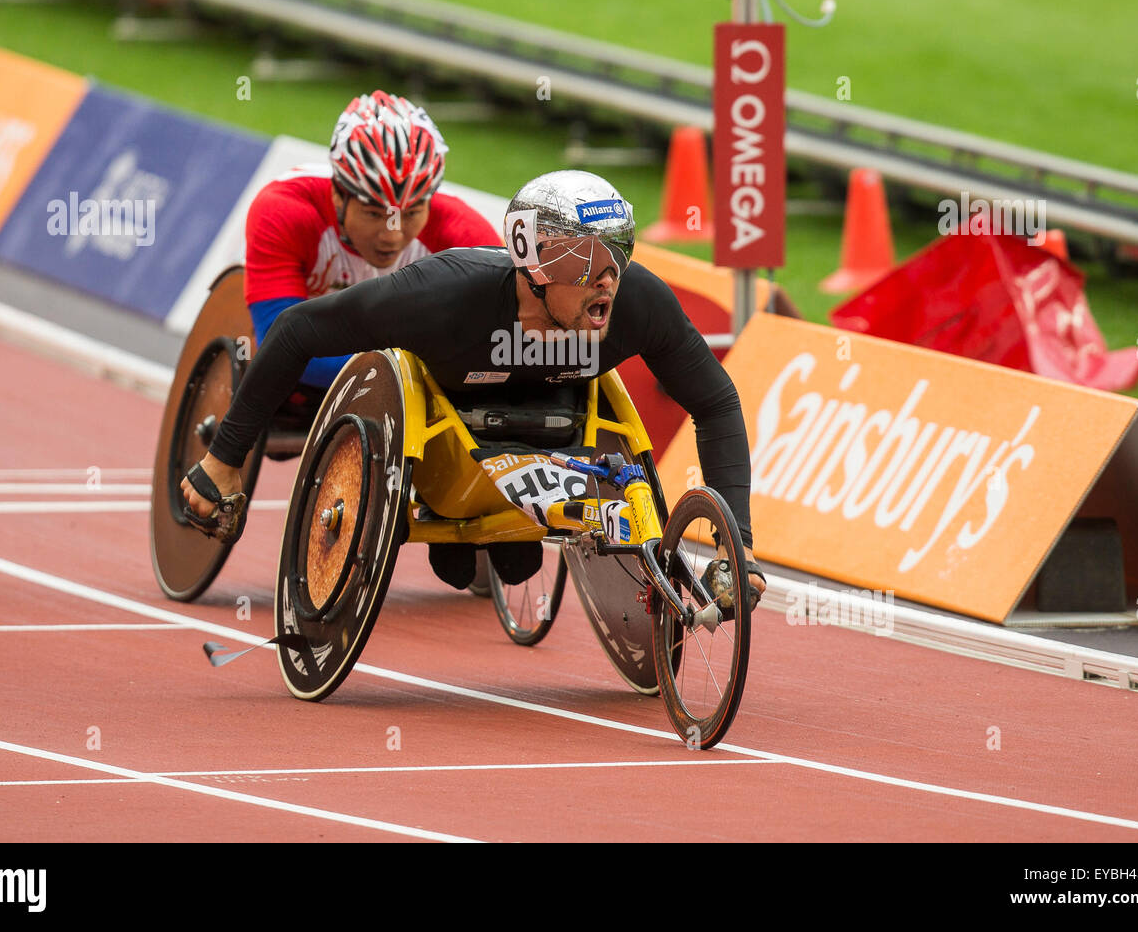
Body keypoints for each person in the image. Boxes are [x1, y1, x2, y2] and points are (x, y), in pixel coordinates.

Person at [183, 169, 767, 605]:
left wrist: (735, 545)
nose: (607, 279)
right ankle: (463, 526)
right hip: (446, 441)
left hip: (557, 429)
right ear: (531, 260)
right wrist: (224, 459)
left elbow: (715, 401)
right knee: (465, 565)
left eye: (618, 255)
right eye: (583, 260)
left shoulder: (641, 305)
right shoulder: (440, 295)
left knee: (513, 565)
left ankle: (496, 525)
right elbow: (296, 330)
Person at [245, 90, 499, 391]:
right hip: (306, 382)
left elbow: (501, 348)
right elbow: (281, 347)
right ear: (338, 194)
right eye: (374, 214)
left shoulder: (466, 236)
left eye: (411, 213)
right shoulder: (284, 211)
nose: (392, 235)